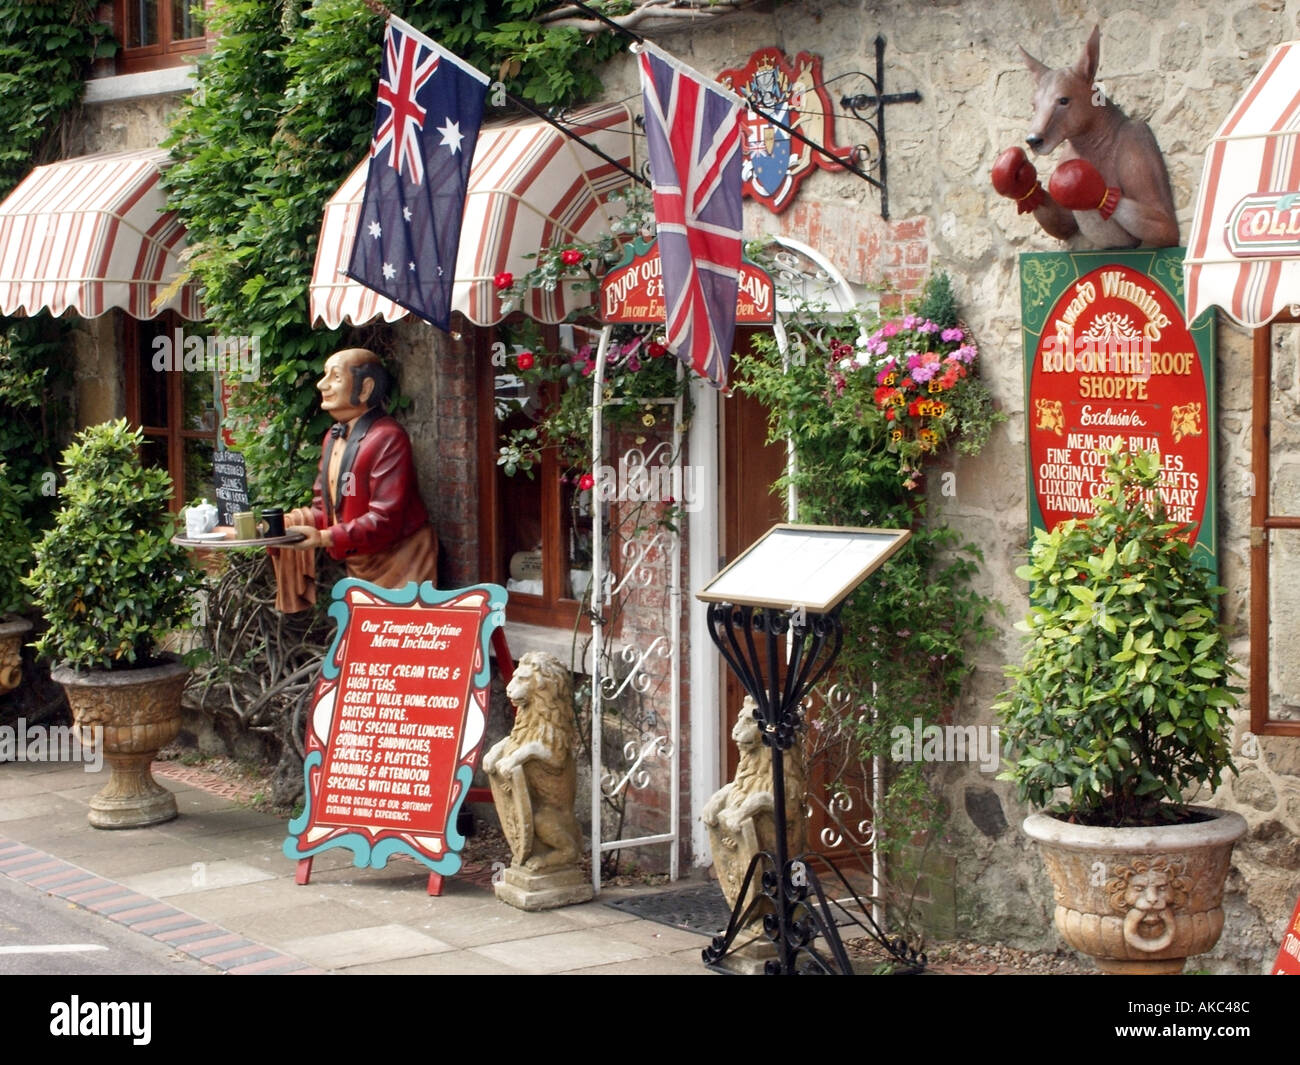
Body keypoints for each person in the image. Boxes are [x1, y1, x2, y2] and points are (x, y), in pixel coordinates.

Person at [274, 348, 437, 609]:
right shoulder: (332, 437)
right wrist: (284, 526)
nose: (321, 384)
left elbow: (385, 519)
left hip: (401, 560)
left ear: (365, 388)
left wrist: (325, 537)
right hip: (360, 560)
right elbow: (325, 508)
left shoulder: (387, 437)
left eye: (335, 377)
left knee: (398, 640)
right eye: (325, 375)